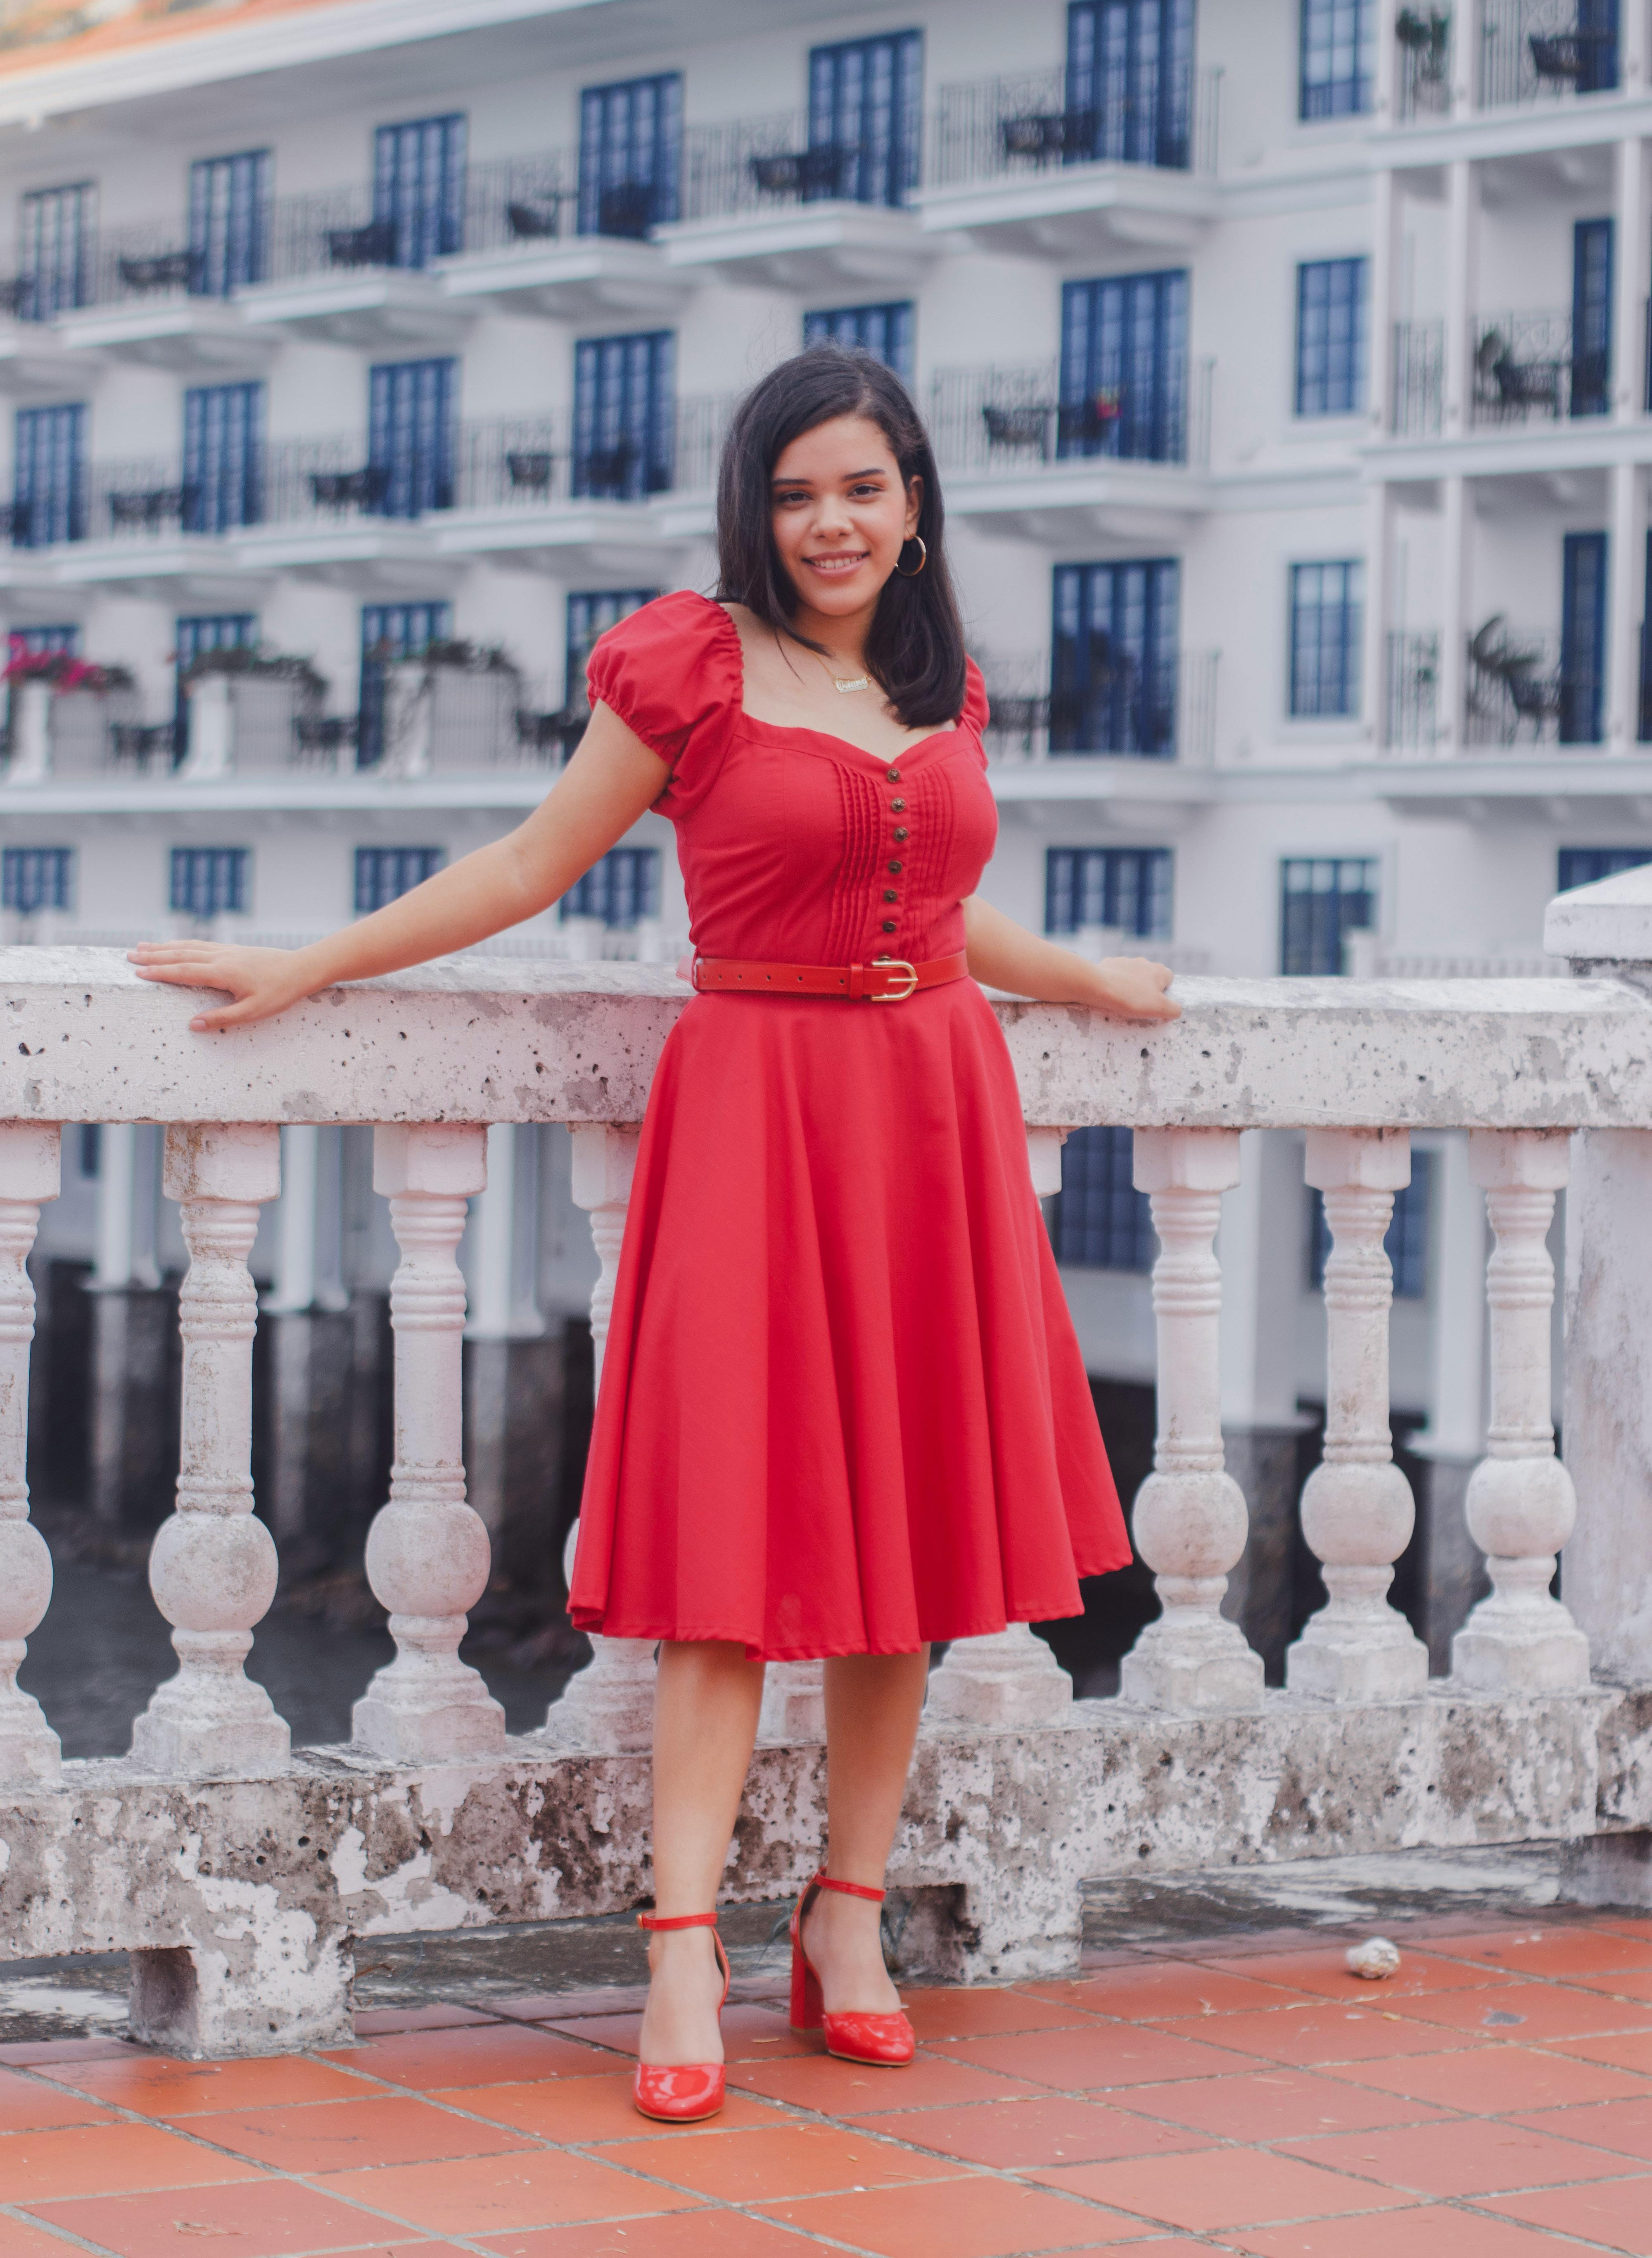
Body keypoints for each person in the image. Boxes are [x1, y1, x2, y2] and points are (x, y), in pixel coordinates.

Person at [130, 346, 1180, 2123]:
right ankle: (682, 1944)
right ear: (752, 509)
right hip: (759, 1112)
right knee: (728, 1555)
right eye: (795, 492)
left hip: (929, 1116)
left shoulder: (940, 686)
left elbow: (936, 910)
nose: (830, 521)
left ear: (916, 499)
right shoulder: (690, 661)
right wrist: (305, 961)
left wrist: (1085, 976)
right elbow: (534, 864)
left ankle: (846, 1921)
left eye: (861, 485)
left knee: (904, 1562)